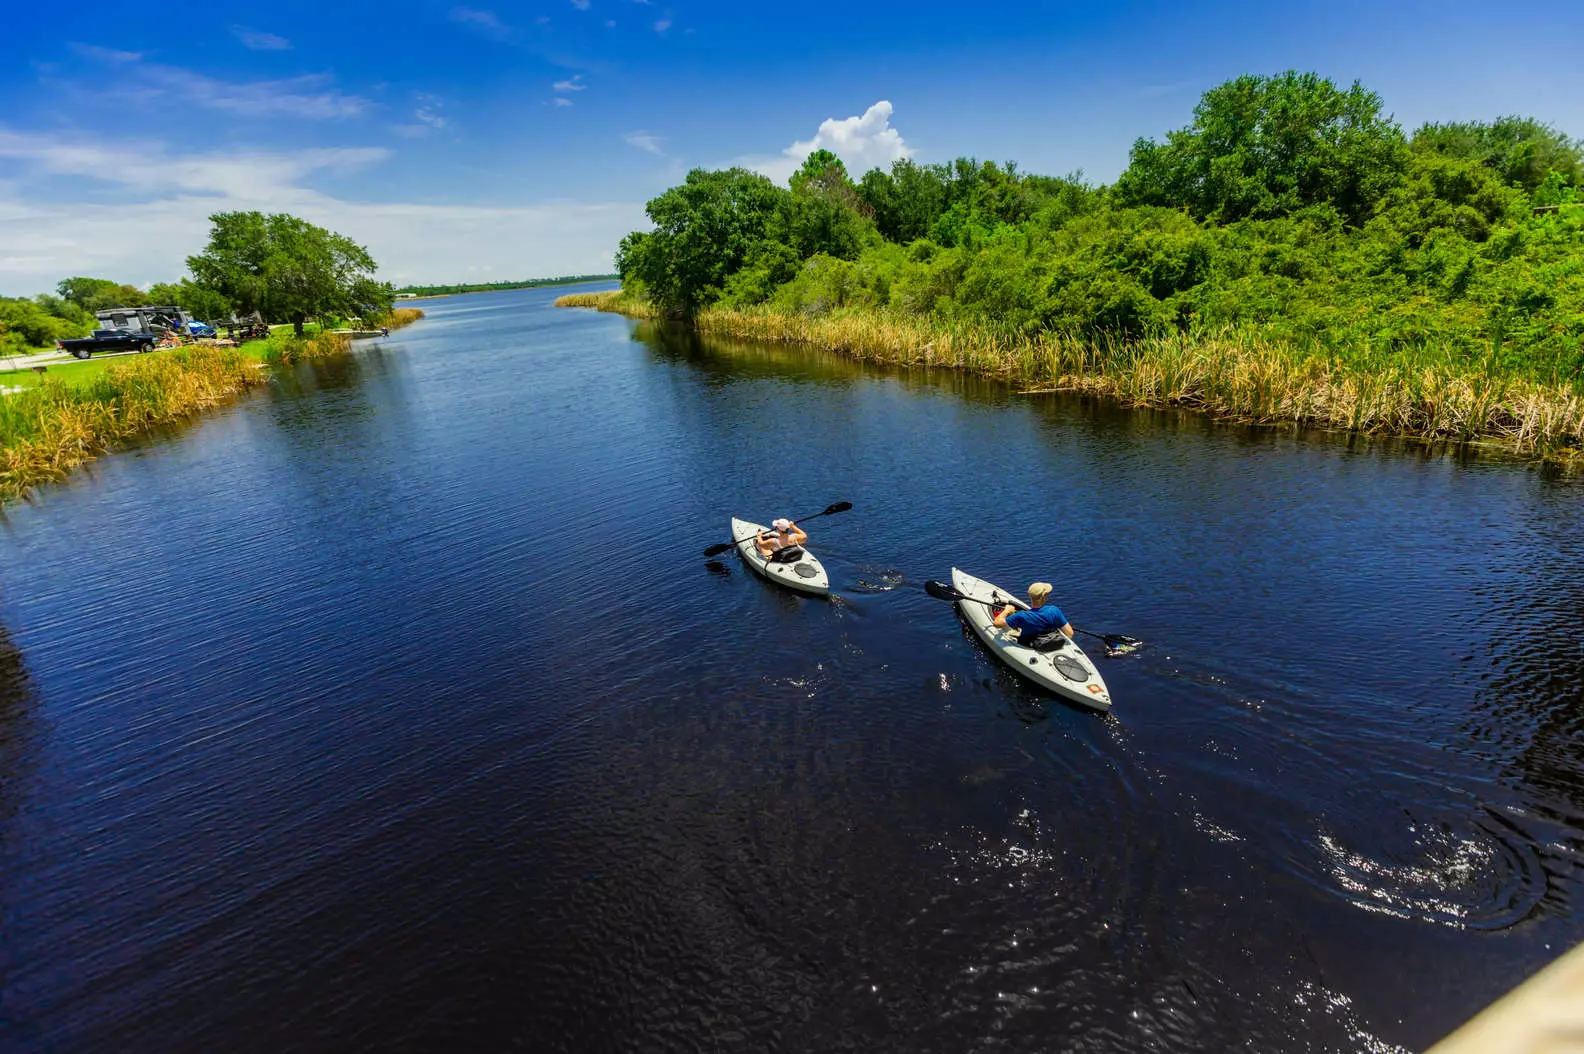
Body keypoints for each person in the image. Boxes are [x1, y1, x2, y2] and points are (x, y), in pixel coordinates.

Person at [991, 582, 1072, 644]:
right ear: (1044, 597)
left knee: (1013, 631)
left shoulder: (1021, 616)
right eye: (1047, 593)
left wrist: (1007, 610)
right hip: (1049, 642)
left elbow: (996, 623)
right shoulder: (1054, 611)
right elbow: (1069, 634)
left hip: (1029, 644)